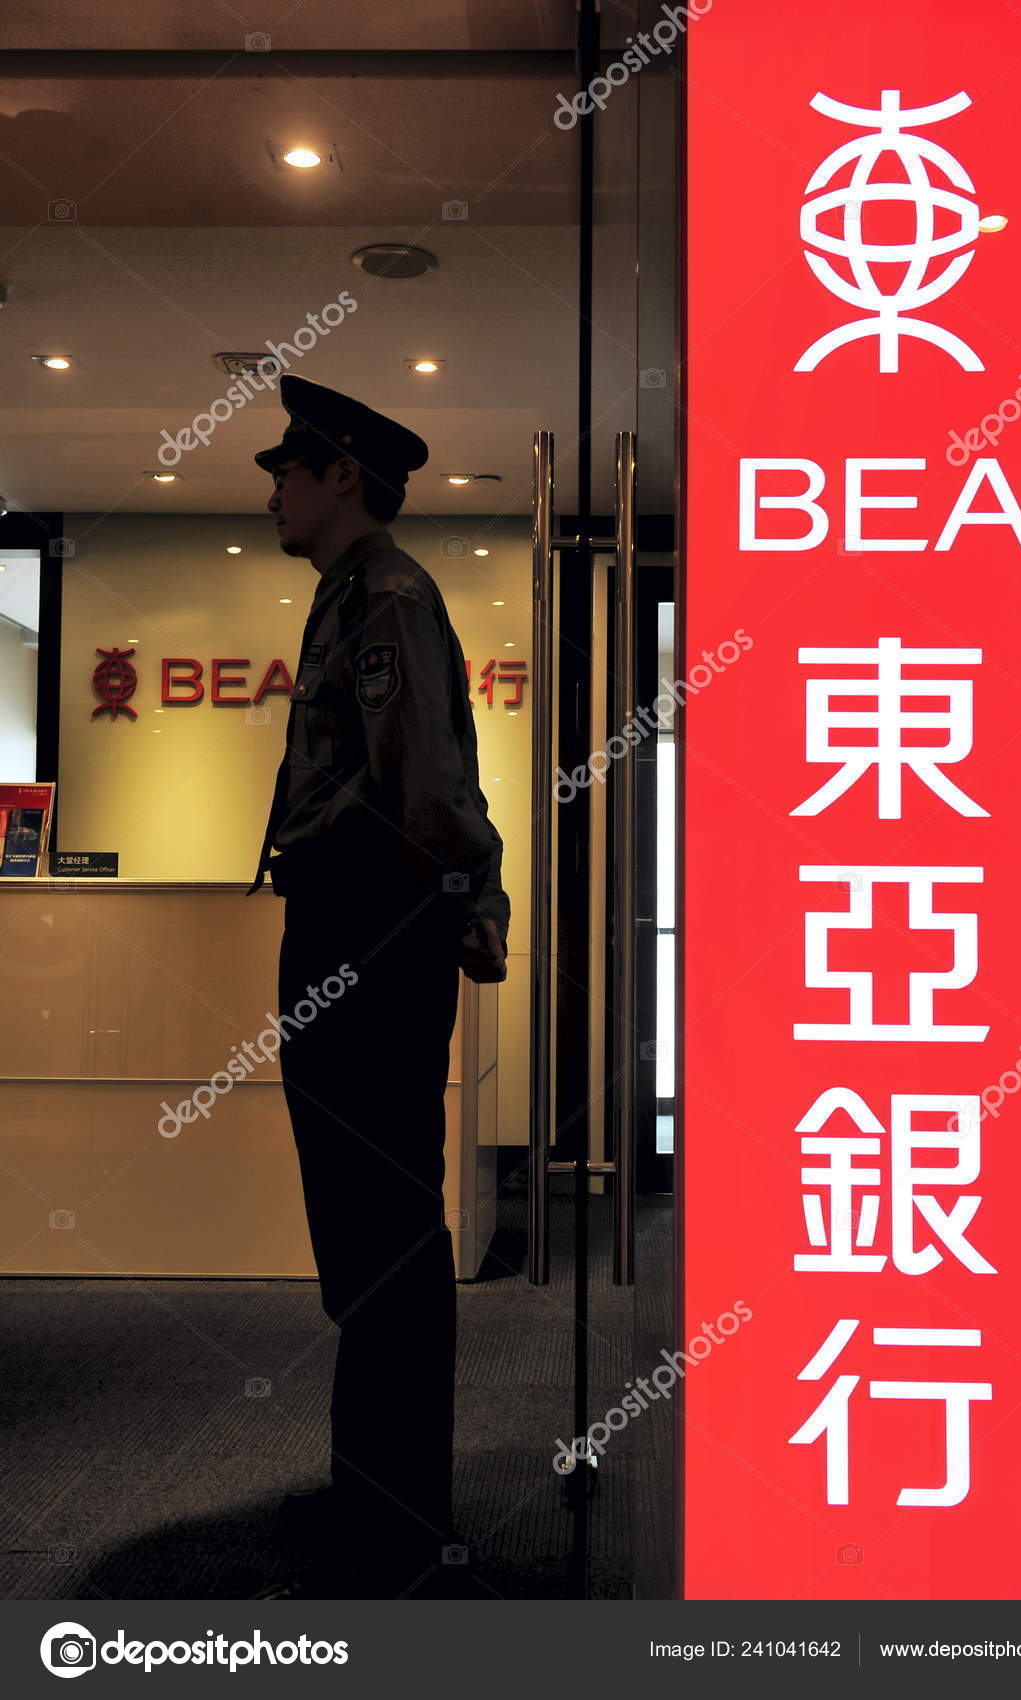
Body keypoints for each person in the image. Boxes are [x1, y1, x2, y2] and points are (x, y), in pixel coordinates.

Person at [245, 375, 509, 1598]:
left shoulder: (389, 592)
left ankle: (400, 1512)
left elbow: (433, 782)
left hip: (374, 924)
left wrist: (475, 899)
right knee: (361, 1219)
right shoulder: (351, 593)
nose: (276, 485)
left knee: (389, 1217)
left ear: (341, 472)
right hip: (346, 921)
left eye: (290, 467)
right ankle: (376, 1482)